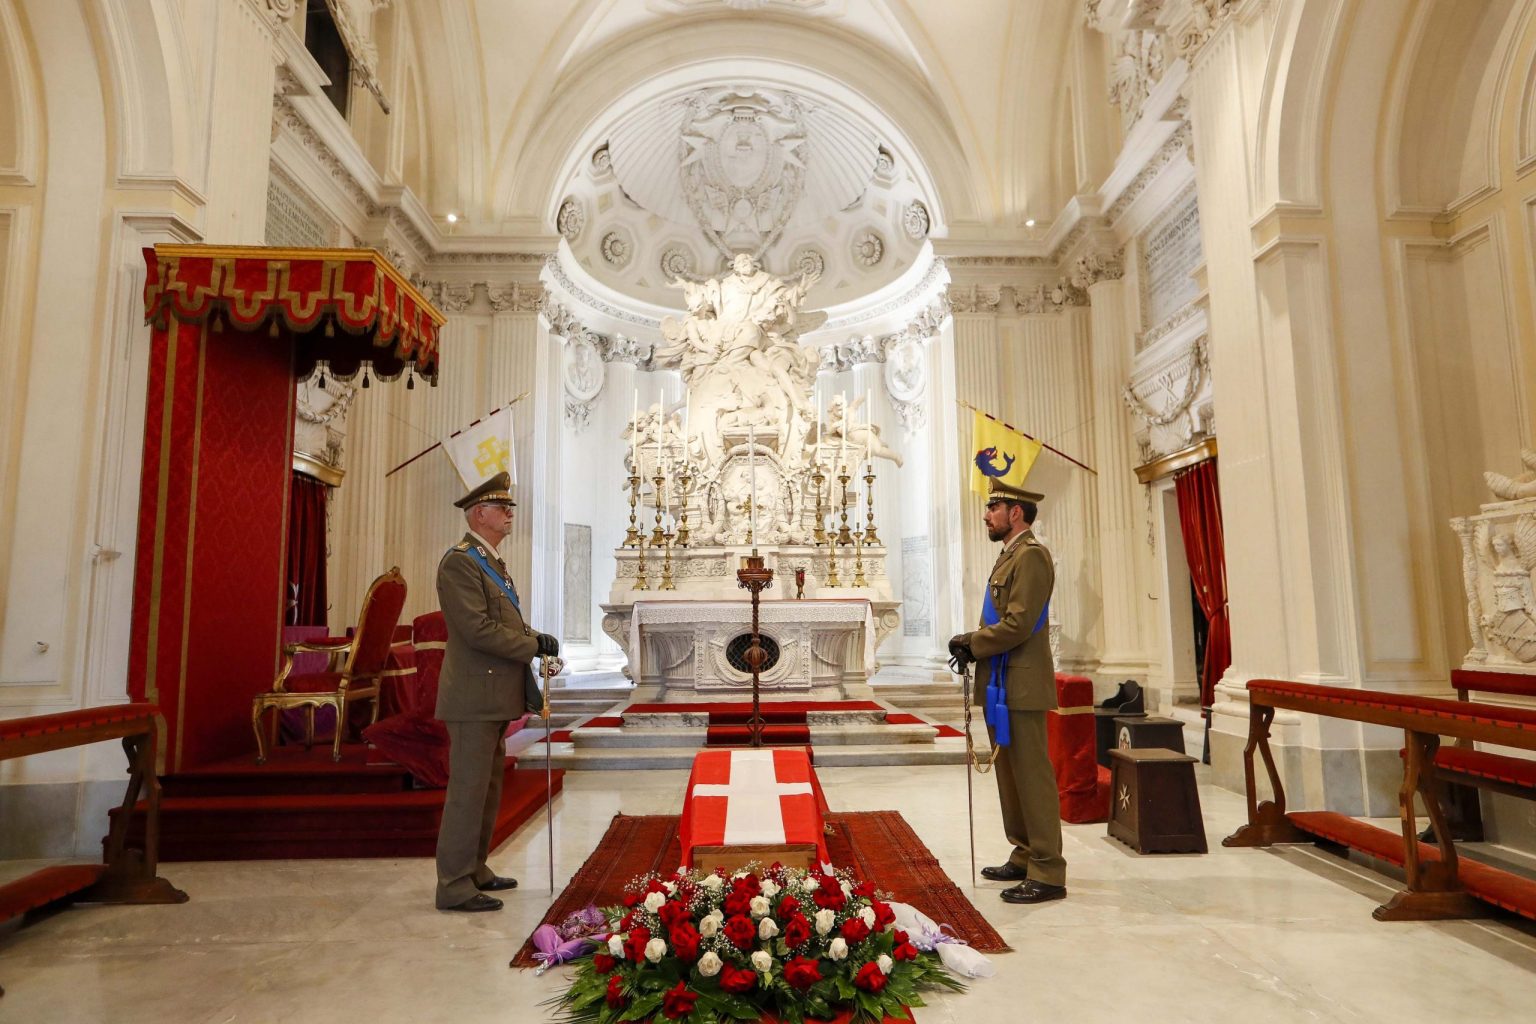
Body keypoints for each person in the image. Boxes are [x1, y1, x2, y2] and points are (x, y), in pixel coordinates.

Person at [433, 471, 558, 912]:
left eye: (509, 508)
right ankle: (453, 884)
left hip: (491, 695)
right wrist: (530, 646)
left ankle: (475, 868)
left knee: (486, 790)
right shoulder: (460, 562)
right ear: (479, 514)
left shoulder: (490, 561)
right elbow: (477, 629)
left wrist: (536, 636)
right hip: (473, 696)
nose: (509, 515)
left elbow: (505, 621)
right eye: (502, 508)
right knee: (467, 792)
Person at [949, 477, 1065, 904]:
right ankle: (1025, 853)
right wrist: (975, 646)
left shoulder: (1031, 556)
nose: (986, 516)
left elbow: (1018, 624)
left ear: (1015, 512)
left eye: (993, 508)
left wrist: (972, 643)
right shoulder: (1009, 556)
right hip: (1002, 680)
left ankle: (1048, 870)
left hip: (1022, 681)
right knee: (1011, 775)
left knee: (1032, 777)